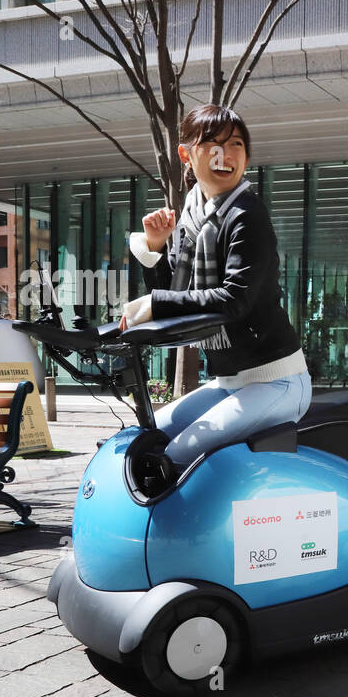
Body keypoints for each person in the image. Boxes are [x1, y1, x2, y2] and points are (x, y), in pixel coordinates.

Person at [120, 104, 309, 471]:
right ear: (186, 154)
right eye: (213, 144)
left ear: (247, 156)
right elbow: (175, 291)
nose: (226, 154)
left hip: (277, 382)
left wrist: (154, 304)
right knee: (143, 437)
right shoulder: (192, 215)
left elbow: (233, 300)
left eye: (236, 144)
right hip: (228, 382)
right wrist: (155, 246)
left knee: (176, 456)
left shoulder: (247, 215)